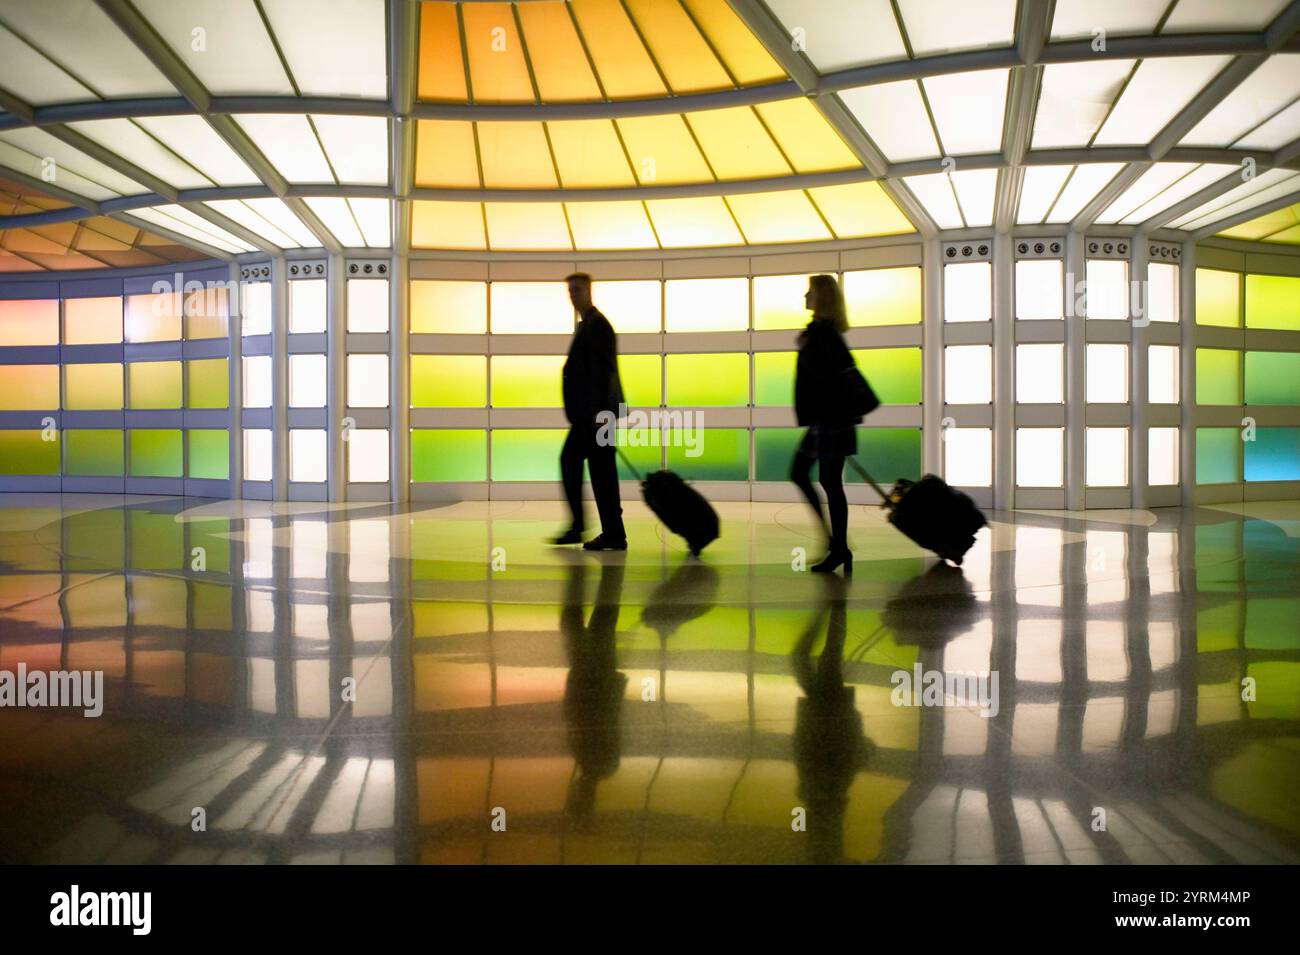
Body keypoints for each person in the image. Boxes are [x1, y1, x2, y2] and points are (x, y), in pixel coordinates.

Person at [550, 273, 627, 551]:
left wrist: (598, 412)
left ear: (588, 291)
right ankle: (610, 533)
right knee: (599, 470)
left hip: (596, 415)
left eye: (577, 290)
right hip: (593, 414)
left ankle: (587, 527)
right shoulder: (589, 325)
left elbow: (604, 373)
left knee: (580, 464)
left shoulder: (598, 325)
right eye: (569, 290)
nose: (573, 295)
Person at [791, 274, 858, 574]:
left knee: (826, 481)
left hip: (830, 421)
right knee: (823, 480)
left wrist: (806, 349)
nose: (806, 296)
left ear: (823, 298)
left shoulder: (823, 334)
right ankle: (837, 545)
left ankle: (838, 546)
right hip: (827, 421)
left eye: (811, 292)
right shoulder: (822, 332)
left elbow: (828, 375)